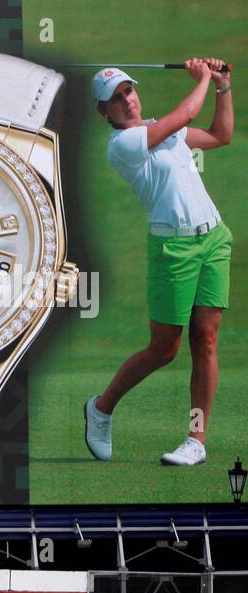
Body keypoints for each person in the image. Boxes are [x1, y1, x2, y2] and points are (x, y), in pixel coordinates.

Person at [85, 58, 234, 466]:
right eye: (116, 100)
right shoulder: (123, 146)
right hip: (174, 250)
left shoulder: (162, 131)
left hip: (214, 239)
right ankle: (100, 408)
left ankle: (196, 439)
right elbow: (186, 112)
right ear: (106, 113)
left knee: (206, 340)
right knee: (164, 349)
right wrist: (202, 76)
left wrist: (222, 87)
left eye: (128, 91)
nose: (126, 101)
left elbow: (221, 135)